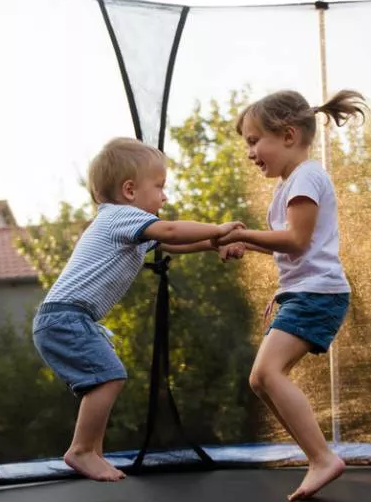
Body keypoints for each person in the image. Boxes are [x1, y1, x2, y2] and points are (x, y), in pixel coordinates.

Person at [33, 137, 243, 482]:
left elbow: (174, 240)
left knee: (102, 379)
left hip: (66, 318)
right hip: (65, 317)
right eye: (159, 187)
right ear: (129, 190)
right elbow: (173, 229)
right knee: (110, 376)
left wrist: (213, 244)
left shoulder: (123, 223)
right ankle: (82, 449)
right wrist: (219, 229)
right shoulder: (119, 217)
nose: (165, 196)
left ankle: (91, 450)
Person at [217, 89, 367, 501]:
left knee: (267, 374)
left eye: (253, 140)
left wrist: (243, 233)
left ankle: (322, 458)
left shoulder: (307, 177)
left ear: (287, 135)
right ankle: (317, 457)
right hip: (303, 293)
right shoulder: (289, 185)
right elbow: (293, 246)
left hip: (319, 295)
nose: (249, 152)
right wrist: (249, 245)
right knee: (260, 380)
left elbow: (297, 240)